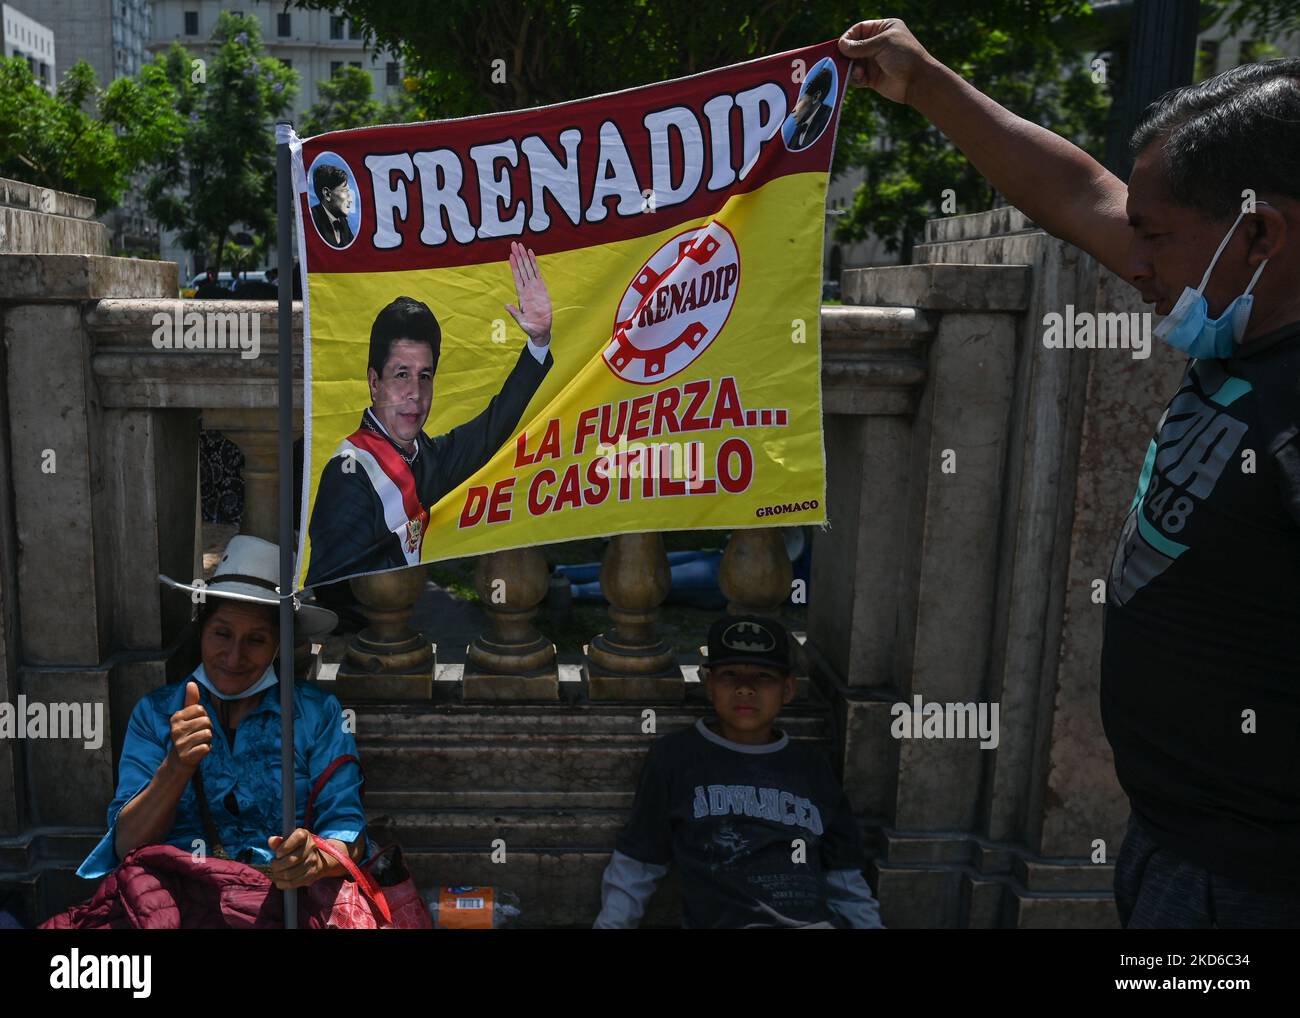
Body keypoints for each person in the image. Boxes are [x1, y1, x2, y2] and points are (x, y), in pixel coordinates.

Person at [838, 20, 1300, 927]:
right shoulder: (1240, 314)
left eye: (1156, 237)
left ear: (1258, 235)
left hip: (1250, 888)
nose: (1133, 264)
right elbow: (1076, 189)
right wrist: (927, 82)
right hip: (1170, 849)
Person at [76, 535, 368, 892]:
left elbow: (349, 832)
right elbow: (126, 845)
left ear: (279, 645)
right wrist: (176, 767)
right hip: (181, 904)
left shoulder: (317, 715)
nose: (234, 657)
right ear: (201, 632)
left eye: (256, 640)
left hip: (285, 904)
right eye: (222, 634)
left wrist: (315, 860)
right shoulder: (155, 714)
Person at [594, 614, 884, 929]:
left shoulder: (810, 766)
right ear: (710, 686)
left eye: (763, 677)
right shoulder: (676, 757)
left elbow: (844, 877)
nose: (745, 688)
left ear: (787, 689)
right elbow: (638, 863)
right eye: (730, 675)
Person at [305, 241, 555, 585]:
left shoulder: (428, 456)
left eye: (425, 376)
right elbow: (331, 589)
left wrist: (538, 343)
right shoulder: (349, 473)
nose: (415, 393)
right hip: (370, 635)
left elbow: (494, 424)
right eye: (401, 375)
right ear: (374, 382)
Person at [786, 65, 834, 150]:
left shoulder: (829, 123)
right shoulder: (798, 130)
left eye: (798, 99)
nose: (792, 110)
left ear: (816, 96)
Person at [310, 163, 356, 249]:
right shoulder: (312, 219)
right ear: (327, 194)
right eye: (345, 191)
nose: (350, 200)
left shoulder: (343, 222)